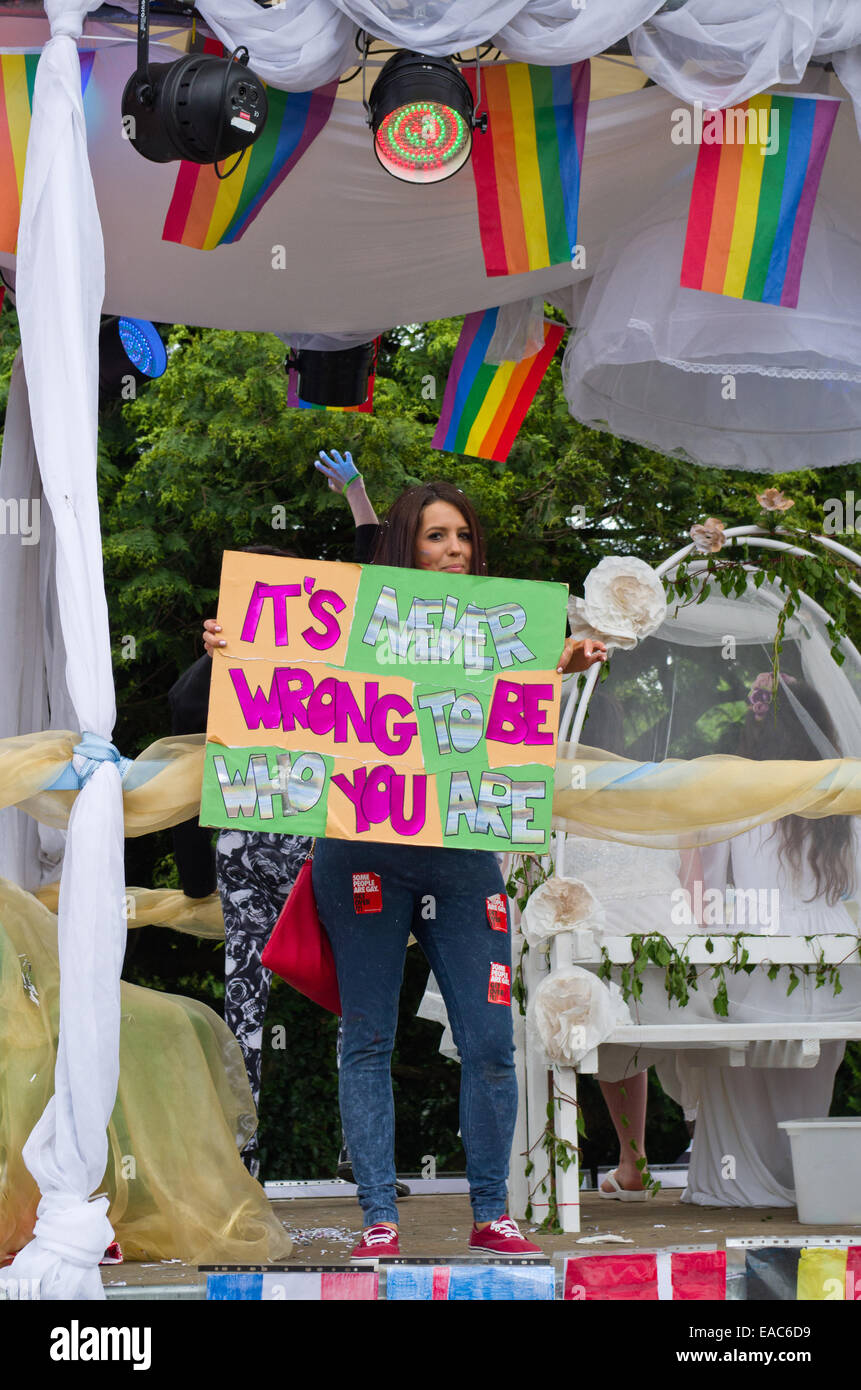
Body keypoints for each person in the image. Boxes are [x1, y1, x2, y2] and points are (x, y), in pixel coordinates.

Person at [204, 476, 606, 1259]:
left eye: (460, 536)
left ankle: (492, 1214)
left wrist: (561, 660)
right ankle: (379, 1220)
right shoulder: (350, 619)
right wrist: (233, 650)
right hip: (360, 853)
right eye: (434, 536)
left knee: (490, 1040)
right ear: (403, 544)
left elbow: (503, 707)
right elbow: (278, 677)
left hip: (460, 857)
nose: (453, 549)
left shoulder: (500, 629)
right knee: (367, 1038)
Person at [185, 451, 377, 1179]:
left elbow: (375, 596)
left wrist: (357, 496)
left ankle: (364, 1157)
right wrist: (215, 657)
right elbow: (180, 711)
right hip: (246, 842)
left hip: (322, 835)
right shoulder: (222, 667)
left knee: (355, 990)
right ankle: (240, 1164)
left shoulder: (328, 658)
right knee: (244, 999)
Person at [679, 673, 861, 1206]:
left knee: (740, 1065)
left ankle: (740, 1182)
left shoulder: (735, 793)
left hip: (755, 949)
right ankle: (800, 1179)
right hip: (833, 960)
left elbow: (706, 889)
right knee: (808, 1079)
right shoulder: (841, 793)